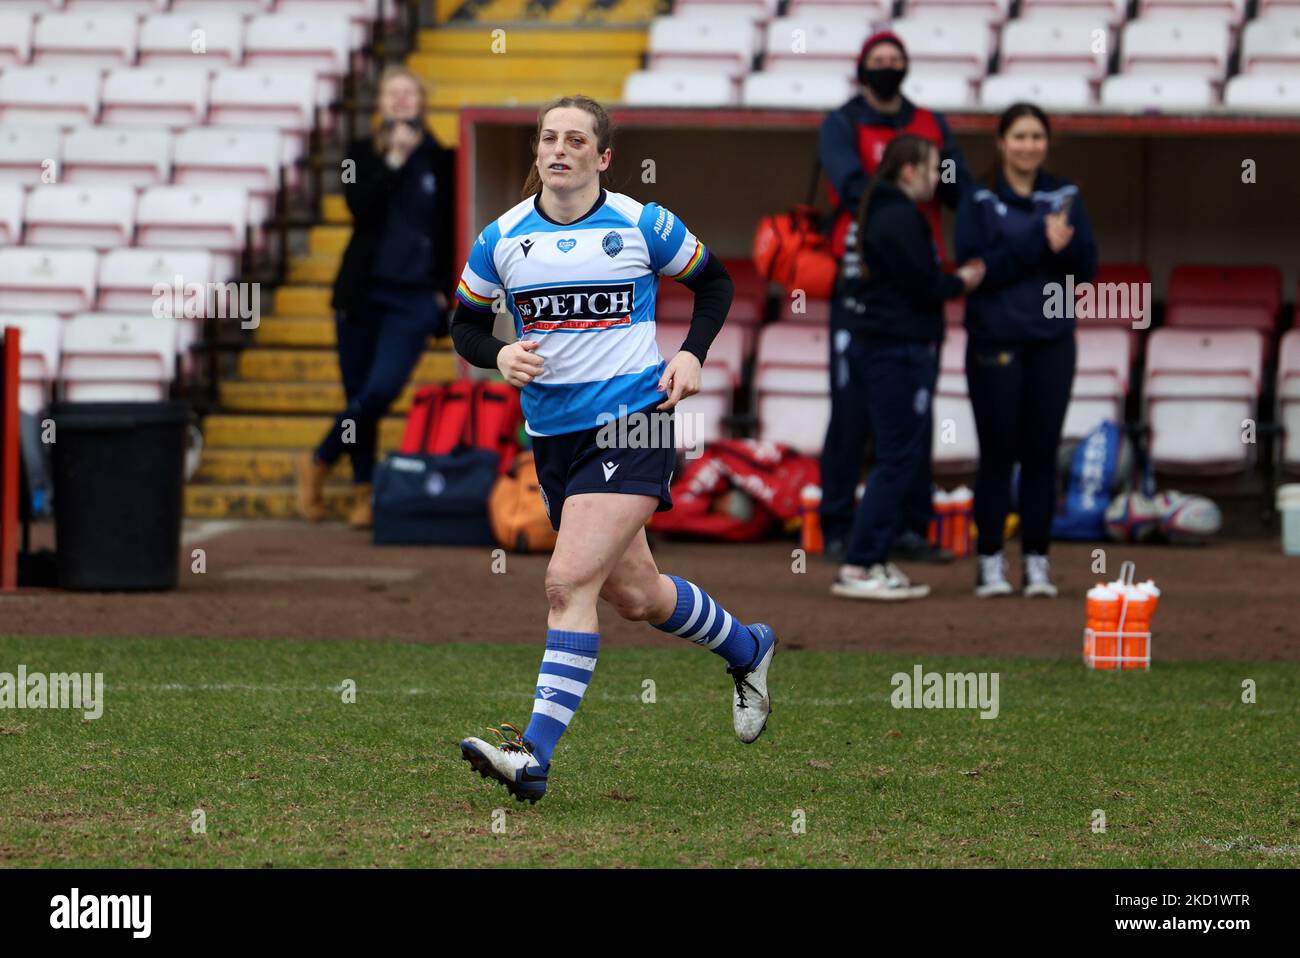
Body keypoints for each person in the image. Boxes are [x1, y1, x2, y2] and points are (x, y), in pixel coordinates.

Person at [450, 95, 777, 804]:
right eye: (548, 138)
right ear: (537, 154)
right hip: (553, 439)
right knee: (636, 595)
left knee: (568, 583)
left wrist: (691, 355)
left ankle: (530, 757)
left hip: (636, 422)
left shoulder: (641, 223)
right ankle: (748, 648)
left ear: (602, 157)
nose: (559, 149)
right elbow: (465, 326)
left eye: (576, 139)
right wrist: (498, 355)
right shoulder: (501, 238)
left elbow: (714, 282)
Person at [817, 30, 973, 566]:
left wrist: (953, 192)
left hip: (917, 287)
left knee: (915, 413)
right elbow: (851, 184)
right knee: (851, 409)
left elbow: (959, 185)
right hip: (859, 280)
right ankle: (838, 523)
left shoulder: (930, 122)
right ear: (863, 68)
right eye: (878, 60)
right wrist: (902, 199)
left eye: (895, 59)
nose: (888, 66)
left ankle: (908, 526)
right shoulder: (842, 121)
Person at [296, 66, 455, 529]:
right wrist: (392, 163)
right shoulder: (361, 154)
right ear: (380, 103)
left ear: (422, 100)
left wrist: (447, 294)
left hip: (415, 298)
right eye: (393, 93)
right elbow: (358, 208)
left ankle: (319, 460)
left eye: (409, 92)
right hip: (362, 294)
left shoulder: (443, 160)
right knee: (358, 394)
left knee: (380, 391)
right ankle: (363, 491)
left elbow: (450, 229)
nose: (401, 100)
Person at [830, 136, 984, 601]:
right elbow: (923, 285)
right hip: (896, 352)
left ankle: (873, 557)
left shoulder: (880, 210)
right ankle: (860, 564)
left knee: (894, 455)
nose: (939, 180)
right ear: (910, 171)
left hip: (883, 348)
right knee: (898, 456)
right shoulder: (897, 216)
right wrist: (964, 280)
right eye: (934, 169)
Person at [954, 102, 1098, 598]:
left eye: (1037, 136)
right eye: (1019, 136)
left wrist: (1066, 248)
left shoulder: (1066, 195)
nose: (1029, 145)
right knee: (997, 453)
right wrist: (1040, 243)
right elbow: (974, 269)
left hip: (1054, 340)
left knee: (1041, 454)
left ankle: (1038, 561)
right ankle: (990, 560)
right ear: (1001, 141)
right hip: (994, 339)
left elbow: (1087, 268)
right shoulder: (978, 199)